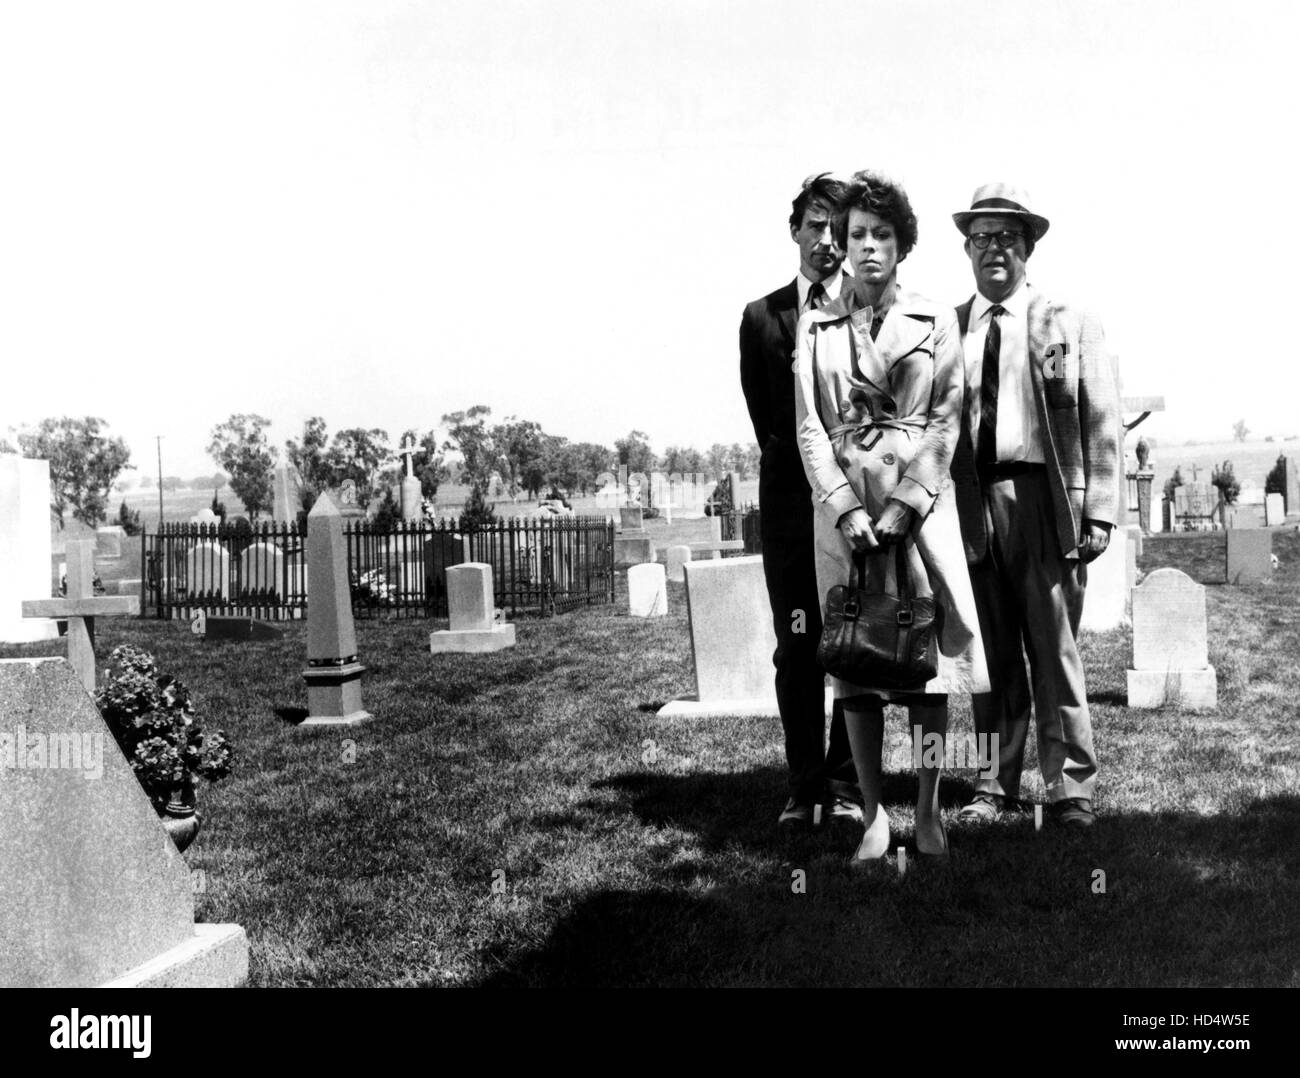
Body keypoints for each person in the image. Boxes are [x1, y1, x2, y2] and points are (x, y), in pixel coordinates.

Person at [794, 171, 989, 861]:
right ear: (843, 245)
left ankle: (929, 810)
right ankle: (874, 815)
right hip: (846, 515)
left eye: (882, 234)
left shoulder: (935, 320)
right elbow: (809, 427)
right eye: (856, 235)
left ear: (902, 245)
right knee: (854, 662)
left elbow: (946, 419)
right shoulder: (815, 325)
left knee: (924, 665)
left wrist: (909, 501)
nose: (868, 246)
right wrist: (843, 507)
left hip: (918, 511)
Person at [948, 182, 1120, 830]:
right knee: (992, 659)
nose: (994, 248)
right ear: (967, 249)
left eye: (1007, 236)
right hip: (974, 504)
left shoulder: (1066, 322)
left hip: (1045, 500)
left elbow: (1101, 416)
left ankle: (1071, 789)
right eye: (982, 237)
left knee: (1054, 652)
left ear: (1028, 247)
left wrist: (1099, 510)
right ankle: (994, 786)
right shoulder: (949, 328)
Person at [740, 172, 861, 830]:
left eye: (839, 229)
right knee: (796, 647)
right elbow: (768, 423)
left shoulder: (867, 311)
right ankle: (804, 786)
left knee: (854, 645)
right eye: (816, 225)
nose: (827, 241)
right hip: (790, 513)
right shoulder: (761, 318)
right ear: (795, 231)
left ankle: (846, 784)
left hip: (853, 511)